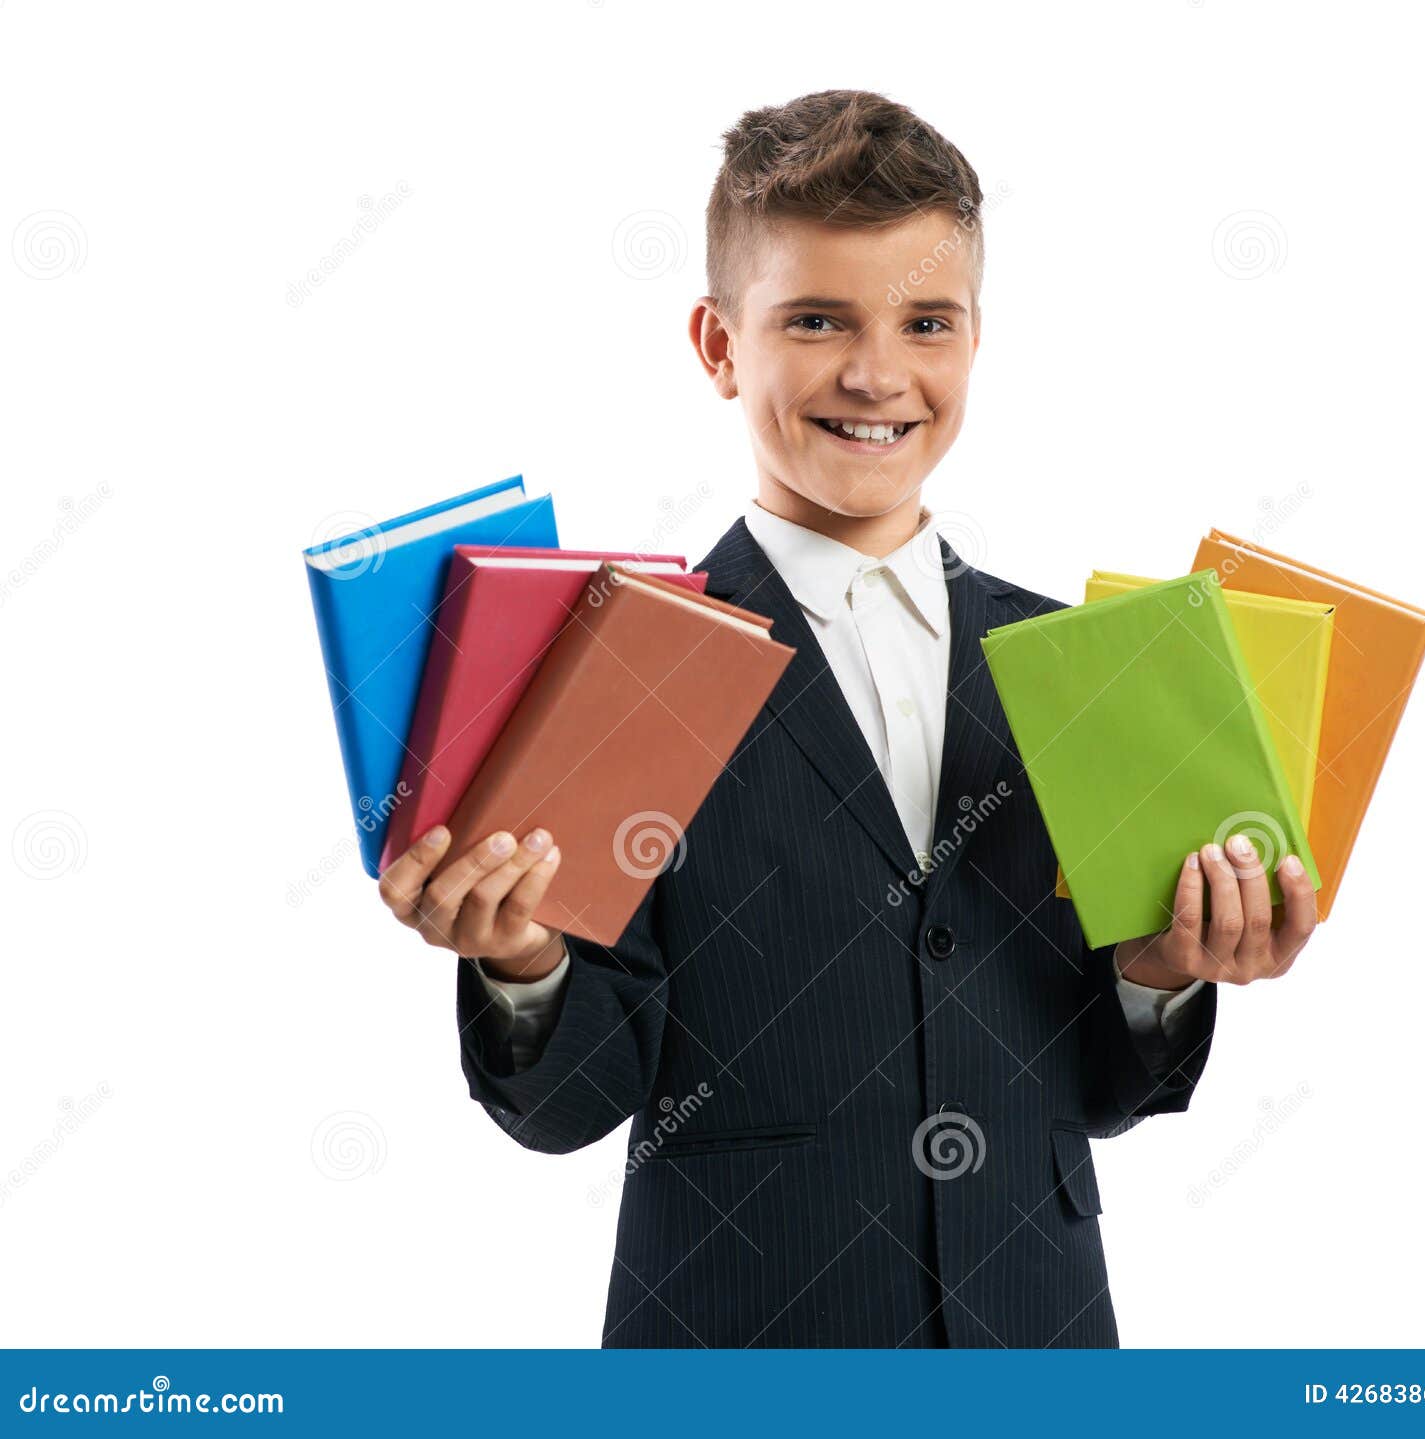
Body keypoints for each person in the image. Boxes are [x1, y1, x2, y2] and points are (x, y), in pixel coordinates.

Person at [377, 89, 1317, 1347]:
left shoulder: (1084, 667)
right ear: (718, 345)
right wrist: (520, 961)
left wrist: (1161, 975)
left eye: (925, 322)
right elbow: (570, 1104)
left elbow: (1093, 1087)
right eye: (816, 320)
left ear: (974, 342)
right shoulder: (623, 668)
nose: (876, 373)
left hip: (1037, 1337)